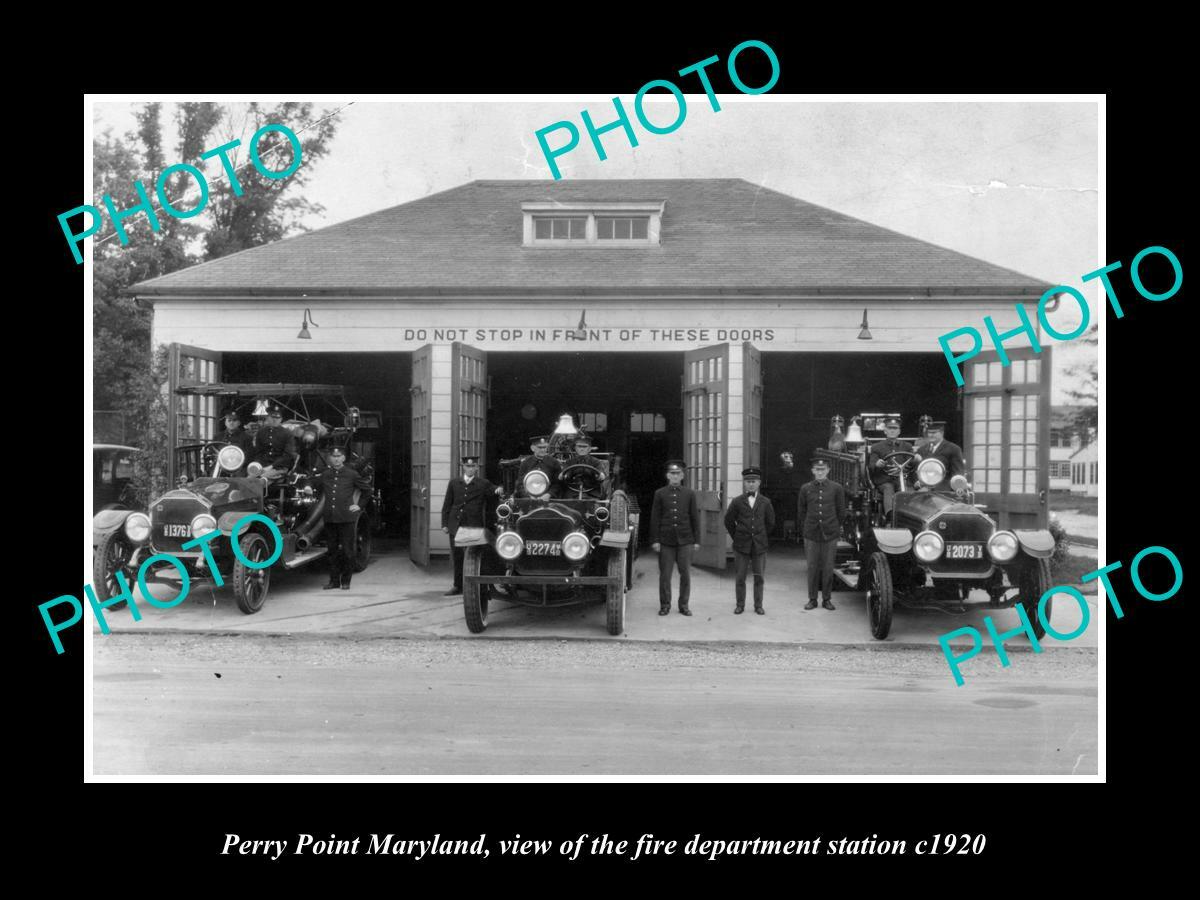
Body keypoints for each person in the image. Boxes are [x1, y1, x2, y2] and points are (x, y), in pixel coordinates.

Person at [440, 455, 499, 596]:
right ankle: (457, 586)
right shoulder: (454, 483)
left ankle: (483, 587)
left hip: (473, 525)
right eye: (468, 466)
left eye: (473, 466)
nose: (470, 469)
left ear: (477, 468)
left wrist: (499, 489)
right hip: (456, 524)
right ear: (463, 467)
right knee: (458, 556)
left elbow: (494, 490)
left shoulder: (483, 483)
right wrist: (445, 523)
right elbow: (447, 504)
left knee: (477, 556)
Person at [649, 460, 700, 616]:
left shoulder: (689, 493)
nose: (675, 476)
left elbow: (694, 518)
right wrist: (655, 540)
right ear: (667, 475)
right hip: (666, 541)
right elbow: (655, 518)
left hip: (685, 540)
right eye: (672, 473)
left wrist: (696, 540)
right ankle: (665, 605)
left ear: (683, 475)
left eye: (678, 473)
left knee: (685, 574)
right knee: (665, 575)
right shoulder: (660, 493)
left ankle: (684, 605)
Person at [318, 446, 372, 590]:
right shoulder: (326, 474)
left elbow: (367, 491)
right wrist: (308, 486)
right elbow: (314, 484)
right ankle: (334, 581)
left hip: (346, 518)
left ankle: (346, 581)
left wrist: (359, 506)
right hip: (330, 518)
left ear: (343, 458)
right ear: (330, 459)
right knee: (332, 552)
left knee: (348, 552)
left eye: (339, 456)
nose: (336, 459)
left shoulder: (351, 474)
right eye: (333, 457)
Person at [724, 467, 775, 615]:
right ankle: (740, 605)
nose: (751, 484)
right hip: (741, 545)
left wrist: (762, 537)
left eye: (753, 481)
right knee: (740, 577)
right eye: (748, 481)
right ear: (744, 483)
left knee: (759, 577)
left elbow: (771, 523)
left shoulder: (765, 502)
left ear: (759, 483)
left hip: (759, 546)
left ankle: (758, 605)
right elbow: (728, 521)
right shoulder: (737, 501)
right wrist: (738, 536)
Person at [798, 458, 848, 610]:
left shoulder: (836, 488)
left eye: (823, 469)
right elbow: (801, 512)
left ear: (828, 470)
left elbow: (841, 511)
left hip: (830, 532)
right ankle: (812, 599)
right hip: (811, 533)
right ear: (813, 471)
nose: (820, 472)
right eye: (817, 469)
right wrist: (806, 529)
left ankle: (827, 599)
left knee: (828, 567)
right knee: (812, 567)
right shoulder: (805, 488)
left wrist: (834, 526)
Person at [868, 418, 914, 515]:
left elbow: (913, 464)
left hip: (902, 478)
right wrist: (877, 464)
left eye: (895, 428)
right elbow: (871, 465)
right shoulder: (877, 447)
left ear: (899, 431)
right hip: (884, 480)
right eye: (889, 428)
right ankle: (890, 515)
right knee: (888, 488)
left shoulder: (907, 446)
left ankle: (909, 515)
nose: (892, 430)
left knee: (908, 490)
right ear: (885, 431)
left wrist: (917, 459)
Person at [253, 403, 297, 478]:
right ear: (267, 418)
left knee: (261, 479)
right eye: (272, 417)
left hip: (280, 467)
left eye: (277, 418)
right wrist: (258, 465)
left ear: (281, 419)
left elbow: (288, 455)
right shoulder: (261, 432)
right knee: (248, 479)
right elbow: (258, 452)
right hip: (263, 466)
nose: (275, 420)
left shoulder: (287, 434)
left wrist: (271, 466)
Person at [217, 407, 254, 475]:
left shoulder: (246, 438)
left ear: (239, 423)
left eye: (234, 420)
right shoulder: (218, 437)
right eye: (229, 420)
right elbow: (212, 453)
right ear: (225, 422)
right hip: (221, 469)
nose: (231, 423)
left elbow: (249, 457)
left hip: (239, 469)